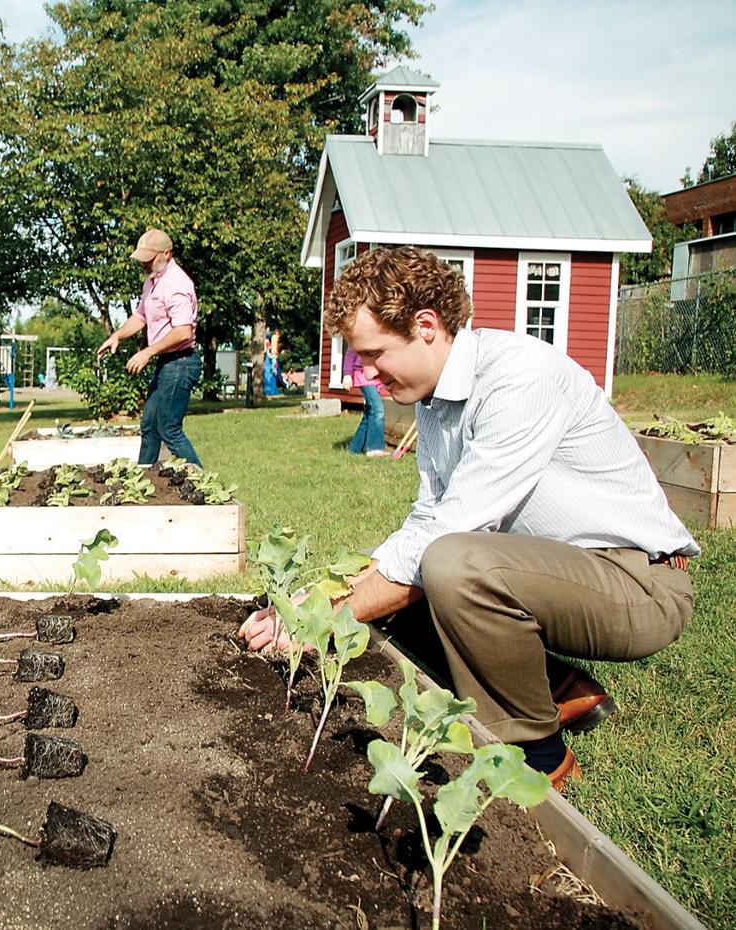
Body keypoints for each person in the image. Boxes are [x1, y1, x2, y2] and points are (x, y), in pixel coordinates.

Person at [238, 246, 697, 790]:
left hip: (638, 584)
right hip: (561, 573)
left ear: (426, 326)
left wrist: (323, 624)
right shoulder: (436, 403)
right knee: (400, 578)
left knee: (449, 564)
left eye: (374, 353)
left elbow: (449, 538)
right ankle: (560, 687)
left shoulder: (518, 378)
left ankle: (538, 760)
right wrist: (316, 602)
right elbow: (422, 527)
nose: (367, 372)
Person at [98, 229, 202, 467]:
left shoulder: (177, 284)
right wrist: (117, 336)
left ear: (166, 254)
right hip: (167, 363)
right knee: (149, 427)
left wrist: (147, 352)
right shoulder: (153, 282)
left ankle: (206, 489)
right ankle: (142, 481)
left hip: (181, 363)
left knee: (168, 429)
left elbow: (183, 331)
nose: (144, 263)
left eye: (149, 257)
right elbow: (140, 316)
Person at [343, 347, 387, 456]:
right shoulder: (361, 331)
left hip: (376, 375)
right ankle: (374, 448)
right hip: (363, 373)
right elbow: (351, 352)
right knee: (378, 409)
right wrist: (347, 374)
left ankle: (355, 448)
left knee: (369, 413)